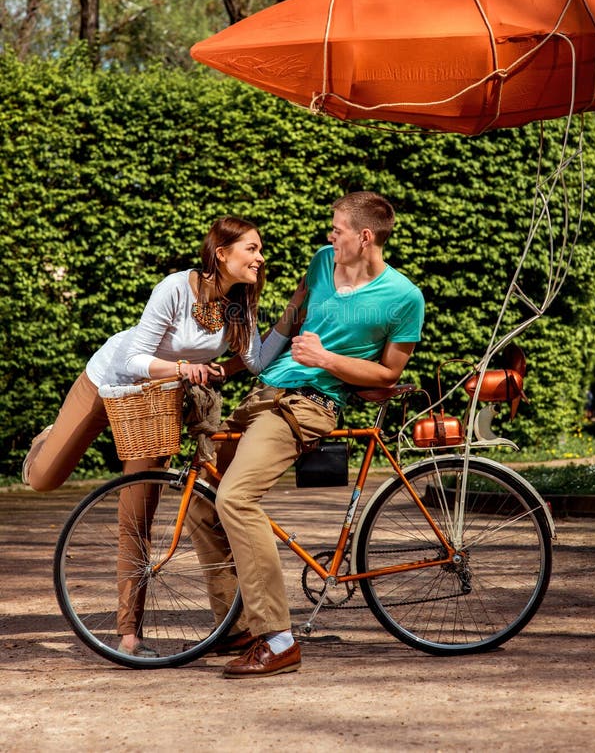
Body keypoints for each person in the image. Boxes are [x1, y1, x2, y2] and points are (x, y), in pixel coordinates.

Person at [22, 215, 304, 656]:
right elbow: (135, 356)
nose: (260, 257)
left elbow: (253, 361)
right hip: (107, 382)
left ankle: (129, 634)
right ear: (221, 253)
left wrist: (292, 316)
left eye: (260, 248)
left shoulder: (241, 301)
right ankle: (51, 438)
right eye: (251, 248)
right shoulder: (175, 288)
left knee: (138, 512)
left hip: (156, 405)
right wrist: (181, 368)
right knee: (44, 478)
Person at [204, 191, 425, 678]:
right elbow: (291, 318)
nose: (330, 235)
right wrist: (242, 362)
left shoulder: (404, 297)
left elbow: (388, 375)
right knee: (204, 498)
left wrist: (326, 360)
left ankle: (279, 640)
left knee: (236, 499)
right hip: (265, 393)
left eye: (338, 229)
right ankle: (236, 625)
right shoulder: (323, 262)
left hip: (311, 405)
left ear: (364, 237)